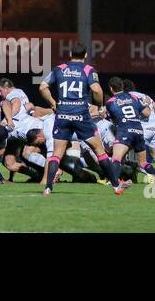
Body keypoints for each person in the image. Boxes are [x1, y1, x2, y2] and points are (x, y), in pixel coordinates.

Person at [37, 46, 122, 195]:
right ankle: (116, 186)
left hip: (62, 115)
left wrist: (53, 104)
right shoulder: (88, 69)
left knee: (57, 153)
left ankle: (48, 188)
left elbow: (43, 87)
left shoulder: (59, 68)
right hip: (81, 115)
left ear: (70, 54)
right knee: (99, 150)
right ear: (86, 55)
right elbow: (97, 90)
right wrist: (100, 106)